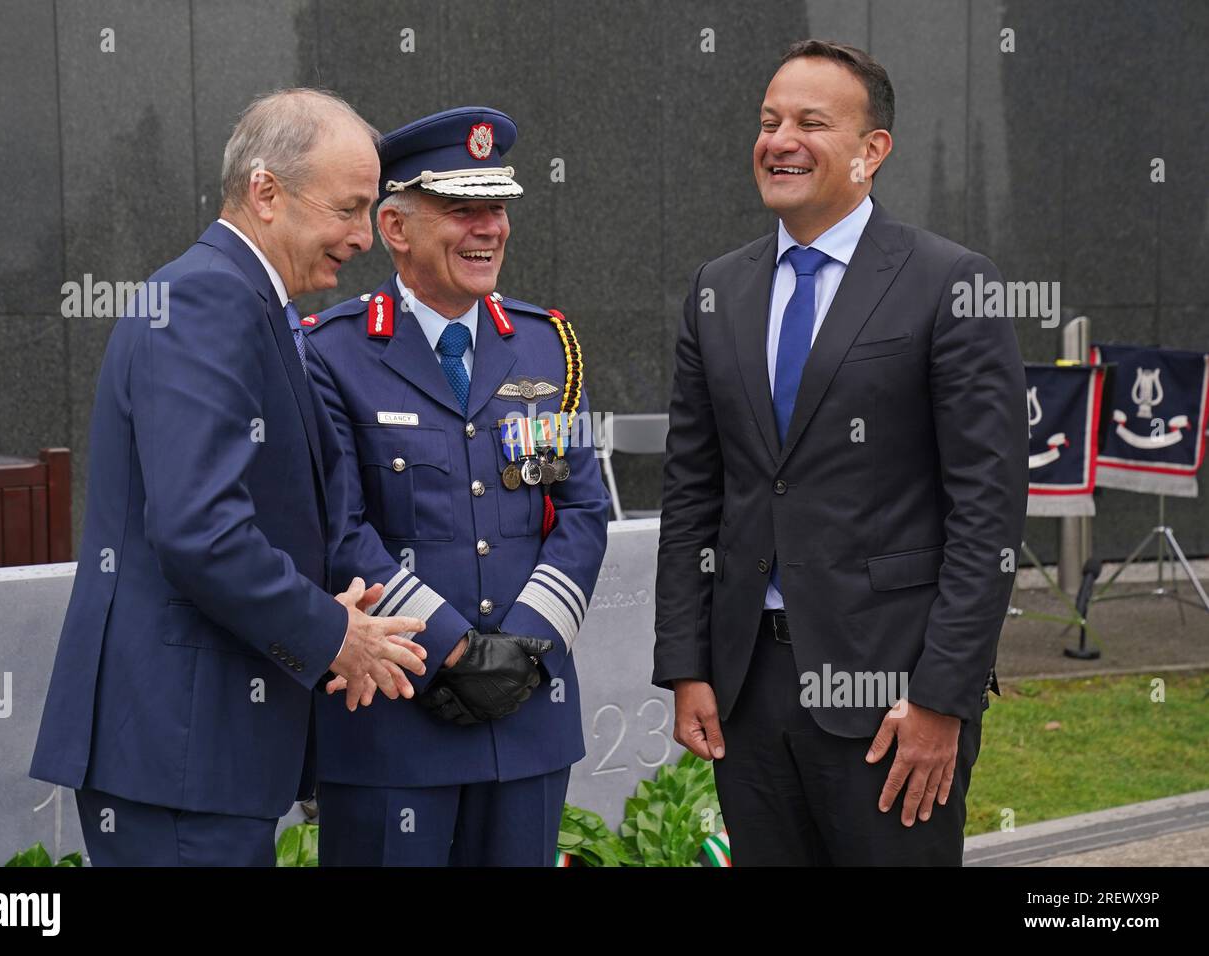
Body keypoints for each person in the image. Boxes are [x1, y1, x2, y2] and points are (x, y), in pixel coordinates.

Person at [29, 89, 428, 867]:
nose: (361, 237)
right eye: (348, 209)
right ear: (266, 191)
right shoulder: (211, 298)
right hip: (181, 754)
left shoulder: (244, 299)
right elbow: (199, 531)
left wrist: (319, 607)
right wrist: (333, 635)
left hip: (199, 754)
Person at [653, 40, 1028, 866]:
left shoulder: (950, 283)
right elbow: (692, 494)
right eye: (768, 120)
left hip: (893, 697)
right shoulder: (718, 290)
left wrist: (942, 696)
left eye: (811, 123)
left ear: (872, 151)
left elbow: (988, 513)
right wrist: (686, 665)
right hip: (747, 692)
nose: (780, 139)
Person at [303, 107, 609, 866]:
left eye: (497, 207)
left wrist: (524, 651)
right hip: (396, 718)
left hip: (525, 719)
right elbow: (337, 531)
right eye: (462, 209)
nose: (488, 229)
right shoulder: (332, 353)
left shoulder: (547, 344)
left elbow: (582, 510)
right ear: (396, 228)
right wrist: (452, 651)